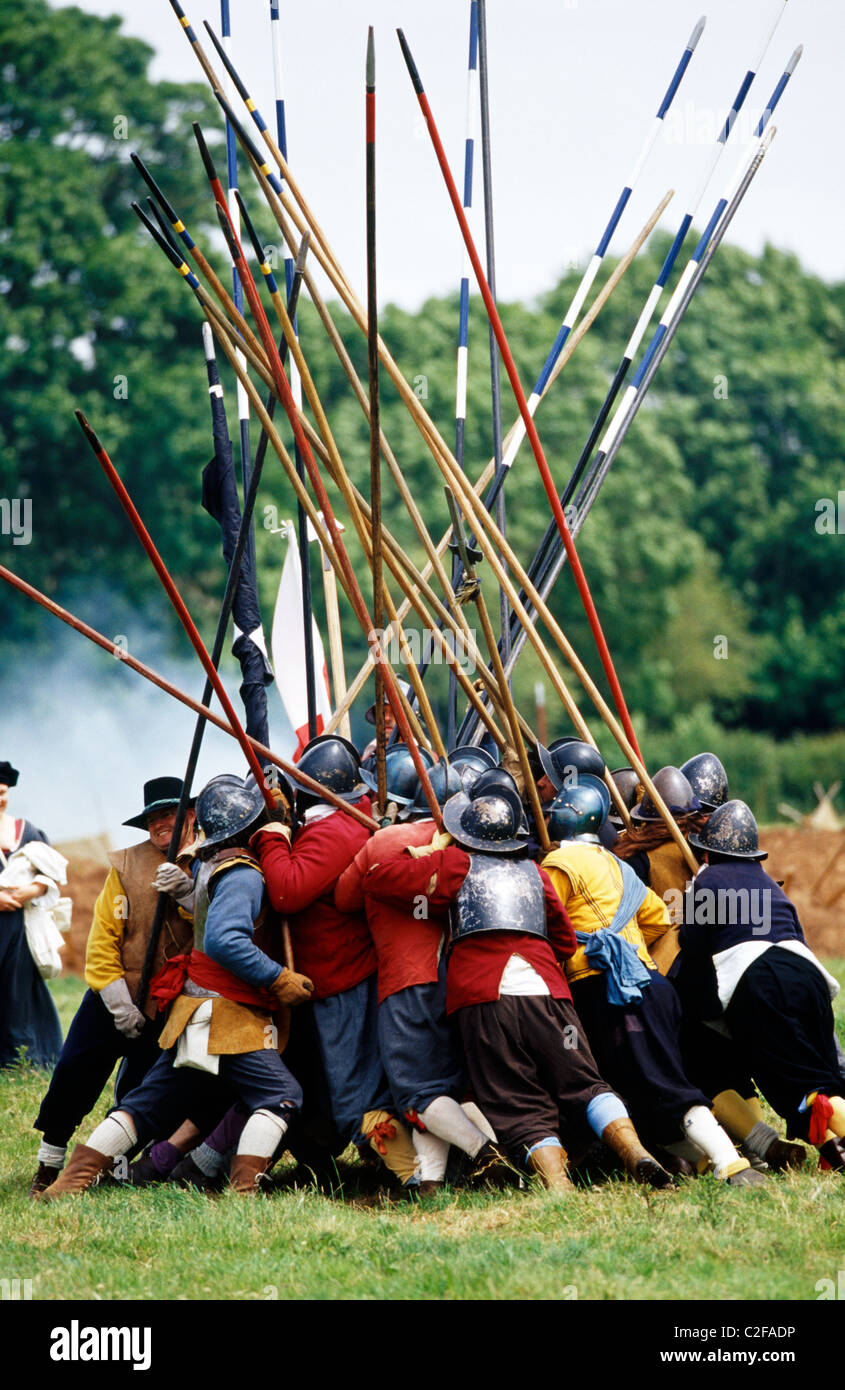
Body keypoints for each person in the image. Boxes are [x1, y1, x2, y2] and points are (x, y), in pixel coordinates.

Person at [363, 788, 675, 1193]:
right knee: (585, 1082)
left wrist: (429, 853)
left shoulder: (455, 863)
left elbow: (379, 881)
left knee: (516, 1101)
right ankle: (633, 1150)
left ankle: (559, 1186)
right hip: (548, 993)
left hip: (484, 999)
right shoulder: (535, 871)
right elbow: (563, 941)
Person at [37, 773, 315, 1200]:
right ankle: (244, 1192)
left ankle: (73, 1181)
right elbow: (224, 940)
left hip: (190, 1010)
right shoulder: (240, 871)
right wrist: (279, 978)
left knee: (148, 1104)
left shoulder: (204, 865)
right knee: (283, 1095)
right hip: (226, 1013)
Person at [542, 782, 765, 1187]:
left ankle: (729, 1162)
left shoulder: (558, 866)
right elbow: (658, 918)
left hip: (610, 991)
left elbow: (546, 927)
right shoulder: (617, 864)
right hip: (651, 985)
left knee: (665, 1085)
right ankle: (697, 1159)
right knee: (638, 1091)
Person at [252, 735, 418, 1188]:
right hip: (325, 984)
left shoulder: (335, 831)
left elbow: (287, 891)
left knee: (357, 1096)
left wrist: (271, 838)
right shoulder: (335, 826)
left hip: (342, 982)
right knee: (328, 1092)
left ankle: (412, 1175)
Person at [335, 759, 500, 1194]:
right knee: (446, 1086)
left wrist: (380, 837)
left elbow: (344, 897)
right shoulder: (471, 845)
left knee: (417, 1093)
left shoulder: (386, 841)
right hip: (458, 980)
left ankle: (487, 1154)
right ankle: (432, 1182)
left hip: (407, 980)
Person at [30, 776, 195, 1196]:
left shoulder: (207, 860)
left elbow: (218, 929)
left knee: (140, 1091)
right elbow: (102, 943)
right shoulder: (125, 865)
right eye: (155, 817)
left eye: (170, 814)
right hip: (114, 995)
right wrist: (119, 1003)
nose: (162, 824)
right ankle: (48, 1164)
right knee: (73, 1075)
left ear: (190, 815)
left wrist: (193, 895)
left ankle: (115, 1168)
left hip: (169, 1004)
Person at [680, 799, 845, 1173]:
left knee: (799, 1087)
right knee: (822, 1076)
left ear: (706, 850)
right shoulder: (770, 884)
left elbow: (692, 949)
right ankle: (834, 1150)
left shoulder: (705, 880)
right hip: (809, 976)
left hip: (762, 981)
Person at [0, 760, 63, 1071]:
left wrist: (35, 889)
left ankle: (28, 1058)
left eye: (1, 792)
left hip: (21, 928)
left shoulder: (27, 831)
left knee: (20, 990)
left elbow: (50, 870)